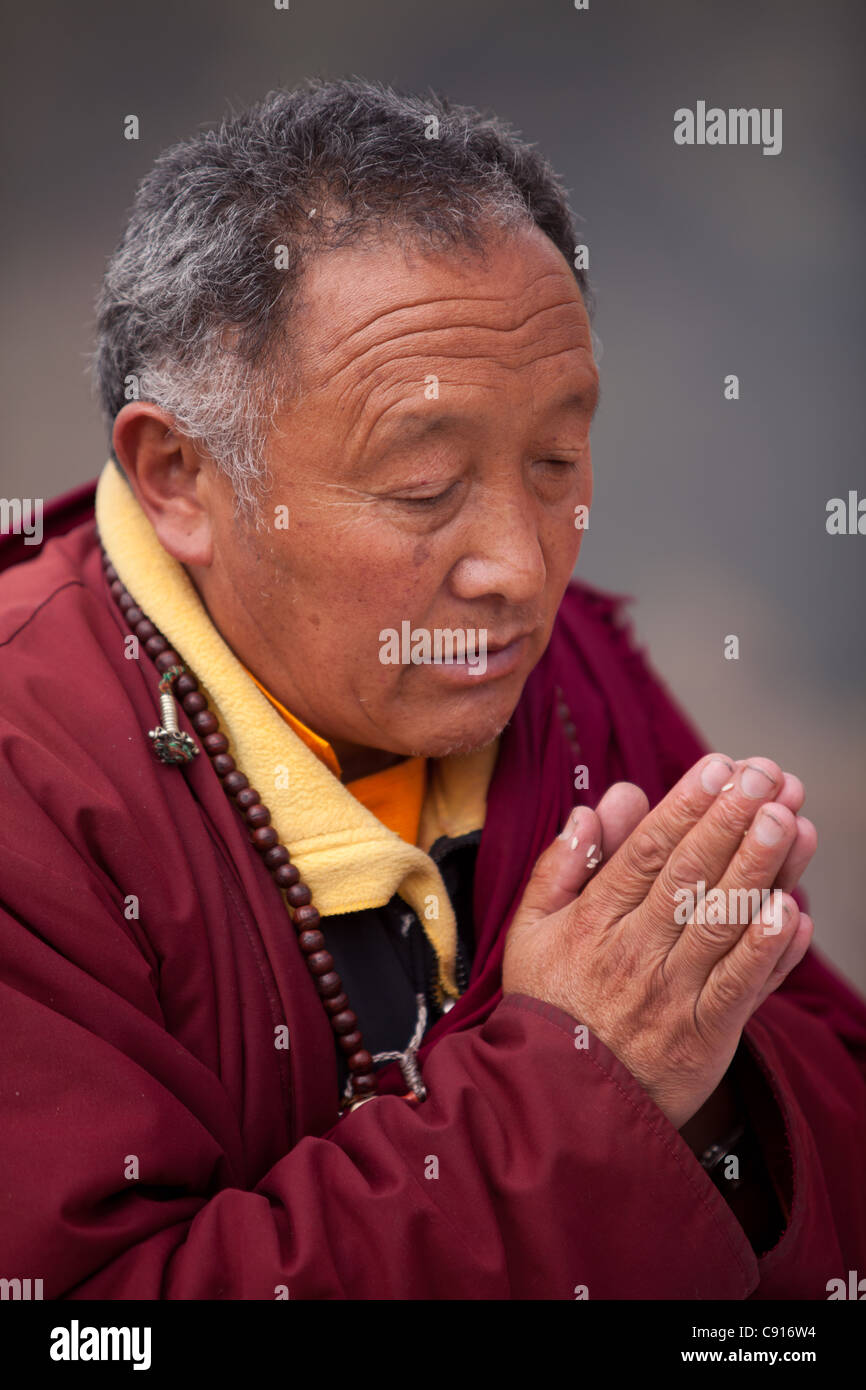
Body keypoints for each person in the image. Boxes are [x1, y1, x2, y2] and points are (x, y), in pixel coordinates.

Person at [1, 78, 864, 1301]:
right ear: (178, 477)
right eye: (419, 489)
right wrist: (573, 1087)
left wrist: (713, 1072)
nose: (521, 568)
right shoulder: (28, 773)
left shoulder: (563, 678)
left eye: (556, 459)